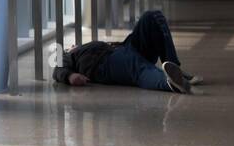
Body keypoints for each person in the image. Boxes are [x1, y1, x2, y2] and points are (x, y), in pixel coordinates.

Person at [52, 10, 201, 94]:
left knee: (152, 17)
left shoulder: (89, 46)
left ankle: (174, 68)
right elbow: (57, 69)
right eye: (69, 46)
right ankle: (170, 82)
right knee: (136, 68)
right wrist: (70, 76)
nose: (73, 45)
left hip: (125, 48)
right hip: (106, 63)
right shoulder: (68, 55)